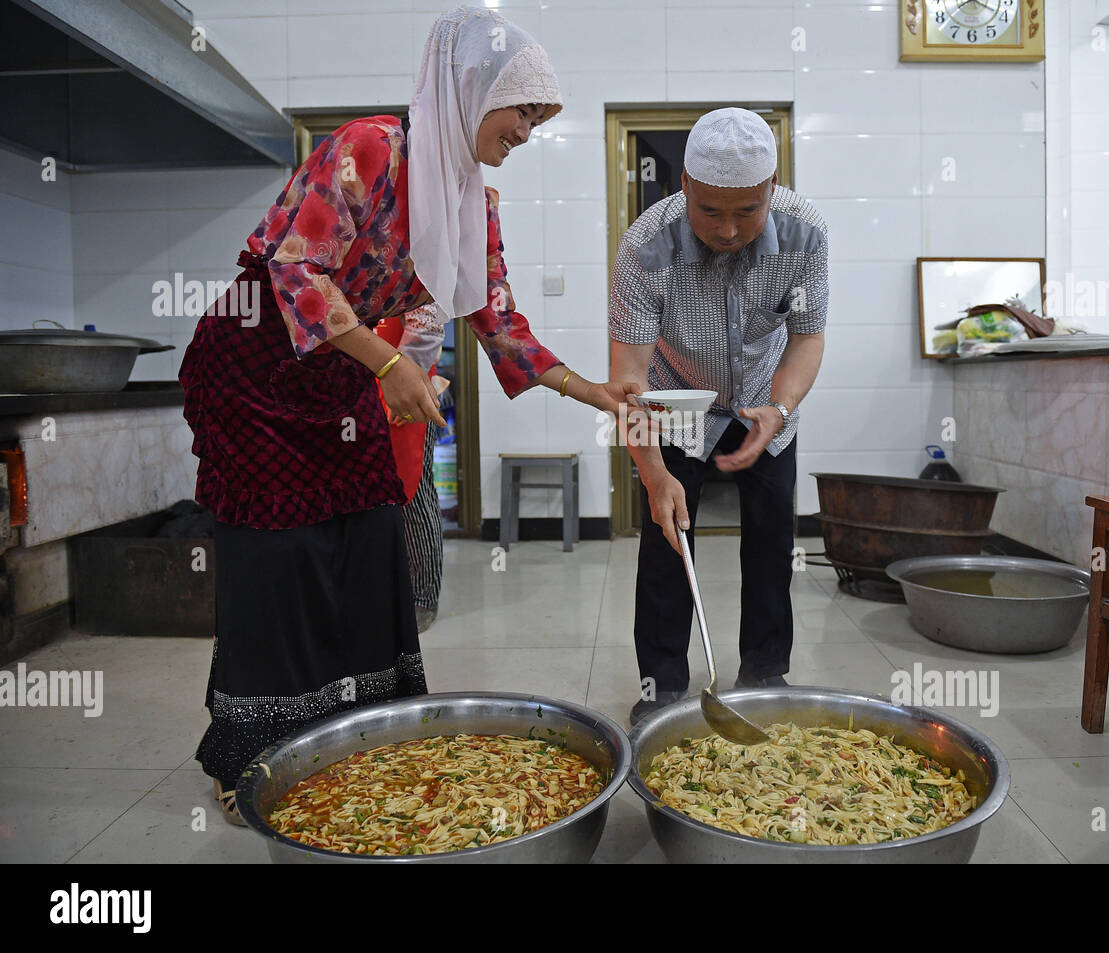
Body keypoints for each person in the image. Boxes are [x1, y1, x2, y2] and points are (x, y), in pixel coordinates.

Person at [179, 6, 634, 823]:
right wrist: (388, 364)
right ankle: (247, 753)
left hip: (336, 375)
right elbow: (296, 269)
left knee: (368, 540)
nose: (529, 130)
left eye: (539, 116)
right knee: (279, 556)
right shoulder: (371, 149)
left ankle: (349, 728)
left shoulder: (473, 203)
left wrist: (591, 390)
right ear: (468, 90)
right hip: (255, 364)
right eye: (521, 109)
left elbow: (498, 322)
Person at [608, 107, 829, 725]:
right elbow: (628, 381)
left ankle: (764, 673)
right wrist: (654, 477)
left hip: (765, 398)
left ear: (772, 190)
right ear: (684, 186)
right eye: (711, 211)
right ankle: (662, 688)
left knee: (770, 542)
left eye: (747, 211)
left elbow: (807, 338)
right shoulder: (645, 247)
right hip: (677, 402)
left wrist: (779, 409)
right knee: (667, 543)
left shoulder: (806, 233)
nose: (729, 230)